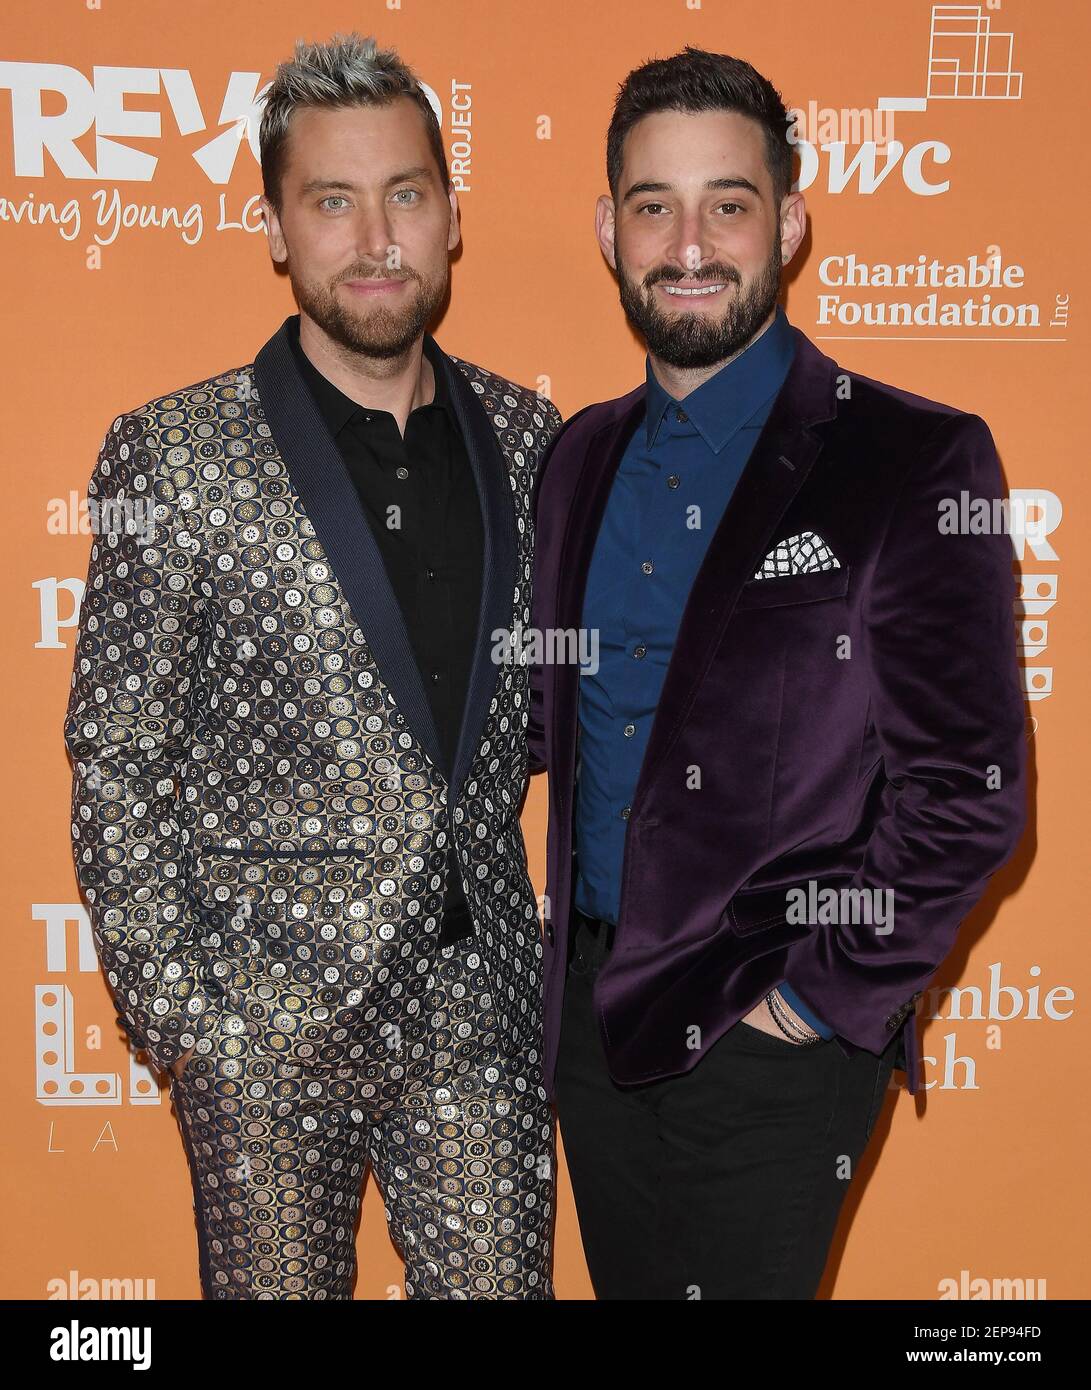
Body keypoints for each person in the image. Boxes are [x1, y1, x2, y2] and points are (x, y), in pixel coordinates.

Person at [63, 31, 560, 1300]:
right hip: (264, 1027)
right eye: (330, 201)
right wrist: (189, 1026)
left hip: (478, 1008)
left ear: (451, 214)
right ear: (276, 228)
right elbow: (118, 752)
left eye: (404, 193)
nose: (375, 237)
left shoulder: (531, 436)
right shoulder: (174, 455)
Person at [528, 46, 1027, 1299]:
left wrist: (810, 1005)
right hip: (588, 1021)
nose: (687, 242)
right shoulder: (574, 459)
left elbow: (967, 792)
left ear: (790, 223)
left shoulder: (908, 460)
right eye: (653, 205)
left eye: (727, 204)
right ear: (607, 230)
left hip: (769, 1026)